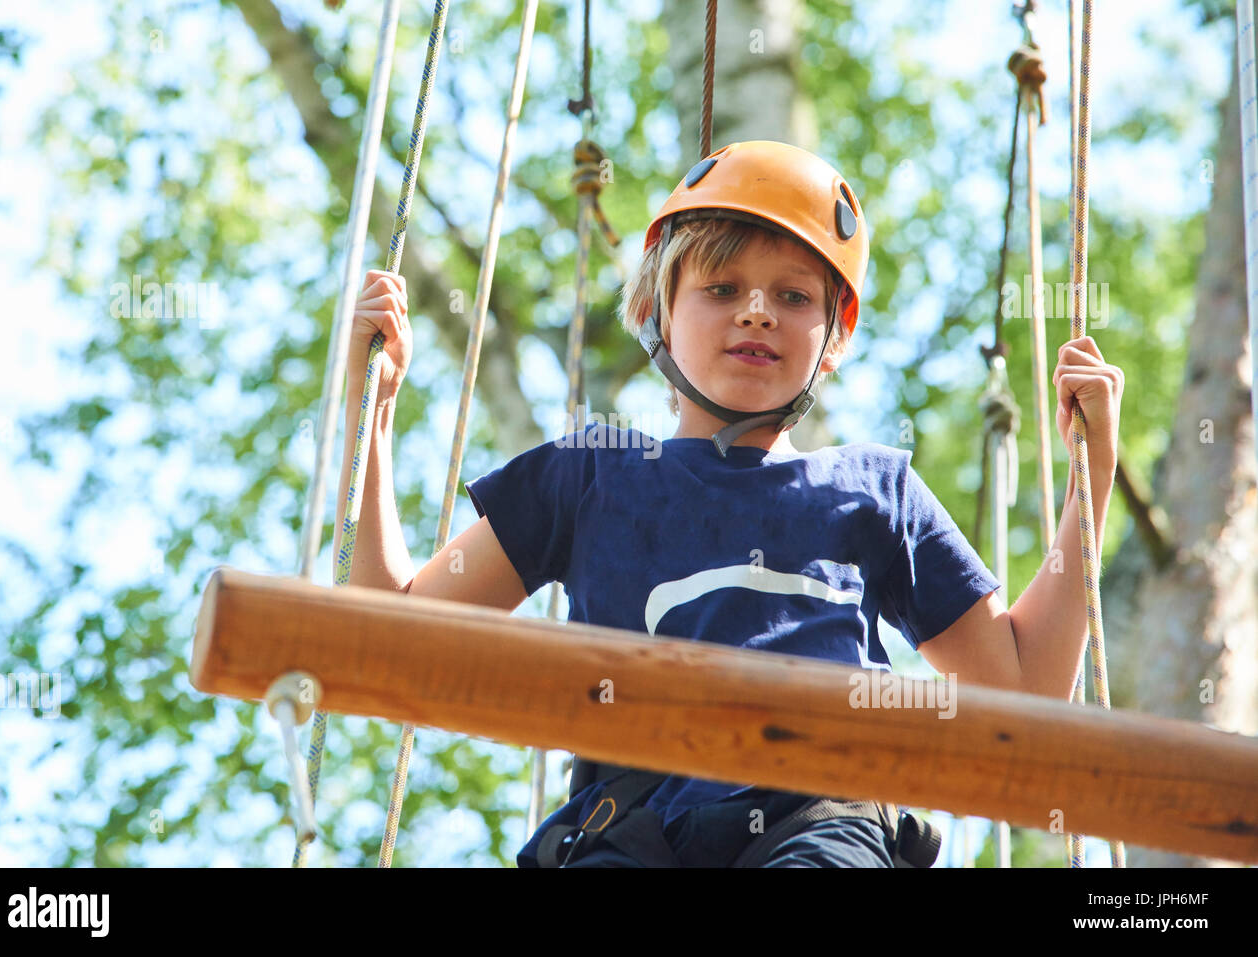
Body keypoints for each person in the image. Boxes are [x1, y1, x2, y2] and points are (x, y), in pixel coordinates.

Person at [338, 140, 1125, 867]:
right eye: (722, 288)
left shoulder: (875, 493)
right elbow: (392, 637)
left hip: (821, 817)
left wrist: (1089, 475)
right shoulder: (588, 477)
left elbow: (1021, 692)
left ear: (835, 335)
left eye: (792, 295)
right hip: (631, 825)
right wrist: (367, 412)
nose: (757, 311)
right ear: (655, 312)